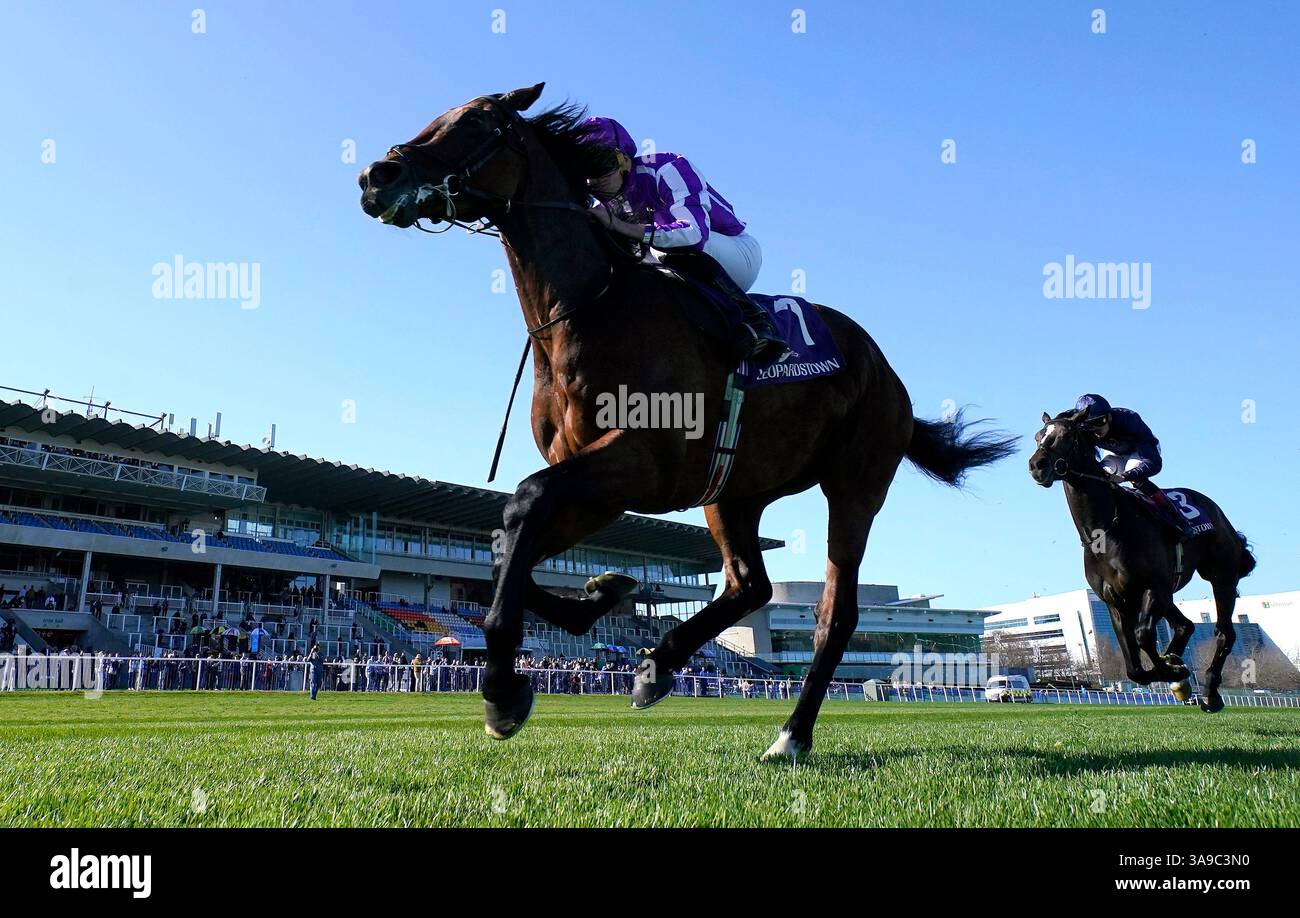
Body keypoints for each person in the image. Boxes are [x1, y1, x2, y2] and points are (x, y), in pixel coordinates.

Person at [579, 116, 788, 363]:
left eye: (602, 165)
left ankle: (756, 322)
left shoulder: (668, 169)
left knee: (664, 250)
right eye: (585, 169)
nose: (594, 179)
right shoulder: (599, 200)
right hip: (674, 269)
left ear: (623, 159)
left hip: (735, 253)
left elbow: (694, 235)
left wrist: (620, 226)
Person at [1074, 394, 1192, 535]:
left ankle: (1177, 519)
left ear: (1109, 416)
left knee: (1134, 476)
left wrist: (1125, 476)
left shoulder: (1130, 421)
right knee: (1101, 476)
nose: (1095, 430)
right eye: (1089, 426)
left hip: (1141, 452)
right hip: (1114, 454)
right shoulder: (1084, 428)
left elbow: (1154, 463)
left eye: (1100, 421)